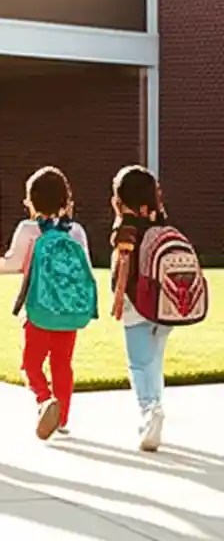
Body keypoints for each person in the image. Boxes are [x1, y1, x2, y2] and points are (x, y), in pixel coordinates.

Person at [0, 167, 93, 440]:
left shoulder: (28, 230)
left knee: (31, 364)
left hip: (37, 311)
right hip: (69, 312)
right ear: (66, 200)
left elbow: (11, 263)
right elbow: (87, 272)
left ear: (30, 202)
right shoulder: (76, 231)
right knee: (62, 364)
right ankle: (62, 418)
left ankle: (45, 399)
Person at [109, 165, 174, 452]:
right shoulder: (163, 226)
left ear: (120, 200)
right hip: (165, 306)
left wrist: (118, 298)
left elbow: (123, 264)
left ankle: (150, 411)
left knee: (138, 362)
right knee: (155, 362)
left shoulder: (126, 228)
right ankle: (155, 407)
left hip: (137, 305)